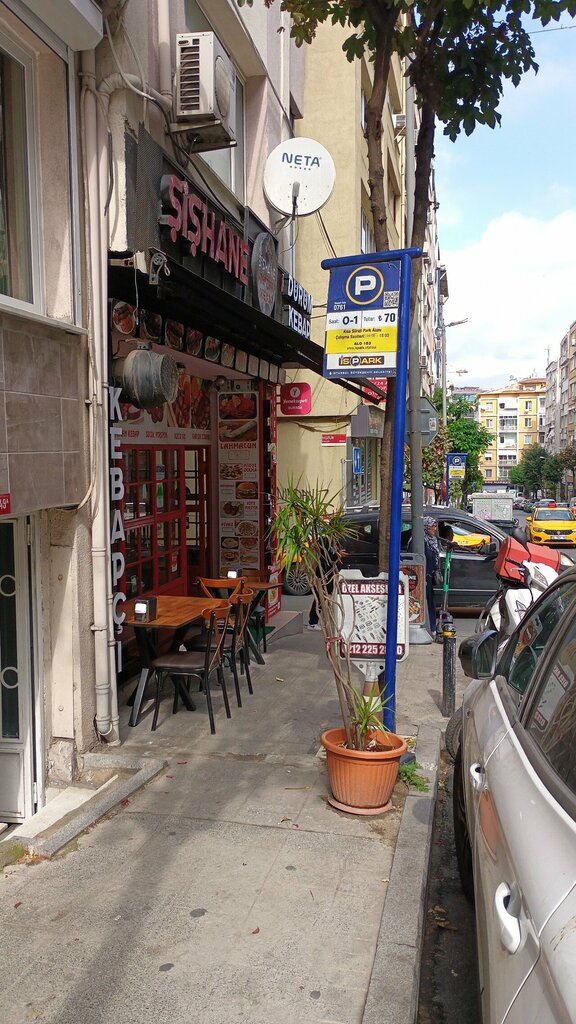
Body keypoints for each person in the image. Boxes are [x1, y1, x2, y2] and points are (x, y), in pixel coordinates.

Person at [308, 539, 346, 630]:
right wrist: (337, 554)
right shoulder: (324, 541)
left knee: (324, 597)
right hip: (323, 575)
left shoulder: (334, 541)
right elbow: (326, 558)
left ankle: (317, 620)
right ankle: (312, 622)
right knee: (320, 597)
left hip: (329, 574)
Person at [424, 516, 441, 638]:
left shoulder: (433, 540)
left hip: (430, 578)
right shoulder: (420, 541)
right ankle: (430, 629)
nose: (434, 529)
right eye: (432, 526)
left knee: (430, 603)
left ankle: (433, 629)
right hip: (424, 578)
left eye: (435, 526)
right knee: (426, 603)